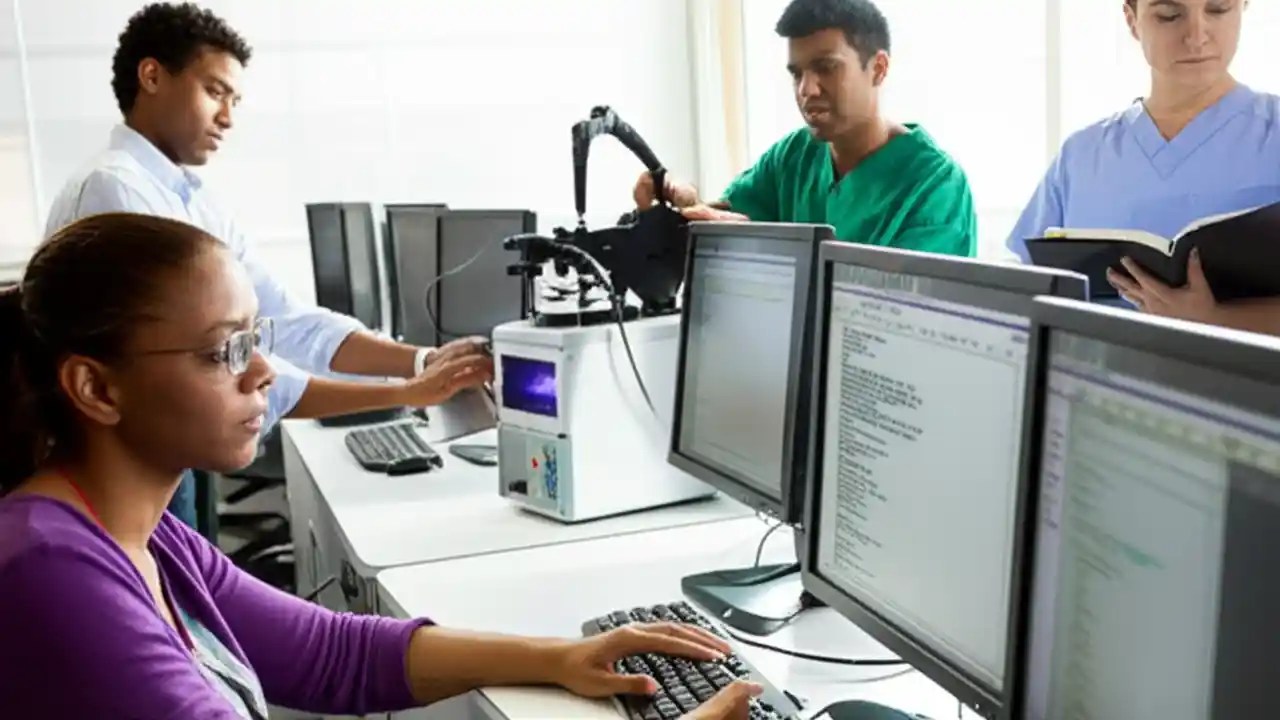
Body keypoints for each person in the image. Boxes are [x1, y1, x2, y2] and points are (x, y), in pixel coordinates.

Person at [0, 212, 760, 719]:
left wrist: (564, 656)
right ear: (96, 389)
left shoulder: (140, 532)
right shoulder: (50, 570)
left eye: (255, 339)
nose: (262, 372)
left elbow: (331, 653)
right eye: (224, 351)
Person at [44, 2, 492, 526]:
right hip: (123, 466)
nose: (228, 118)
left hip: (166, 453)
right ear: (152, 76)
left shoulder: (191, 199)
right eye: (215, 91)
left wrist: (421, 362)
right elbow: (205, 364)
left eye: (234, 100)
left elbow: (284, 319)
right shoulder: (116, 191)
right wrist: (404, 393)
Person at [1007, 0, 1280, 336]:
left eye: (1218, 9)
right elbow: (1022, 297)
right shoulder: (1080, 157)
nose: (1197, 37)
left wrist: (1218, 319)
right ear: (1132, 19)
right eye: (1169, 16)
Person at [635, 0, 976, 257]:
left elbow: (905, 312)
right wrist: (687, 204)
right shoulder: (793, 157)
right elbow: (729, 218)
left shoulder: (936, 186)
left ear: (878, 69)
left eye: (826, 68)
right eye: (796, 73)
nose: (806, 89)